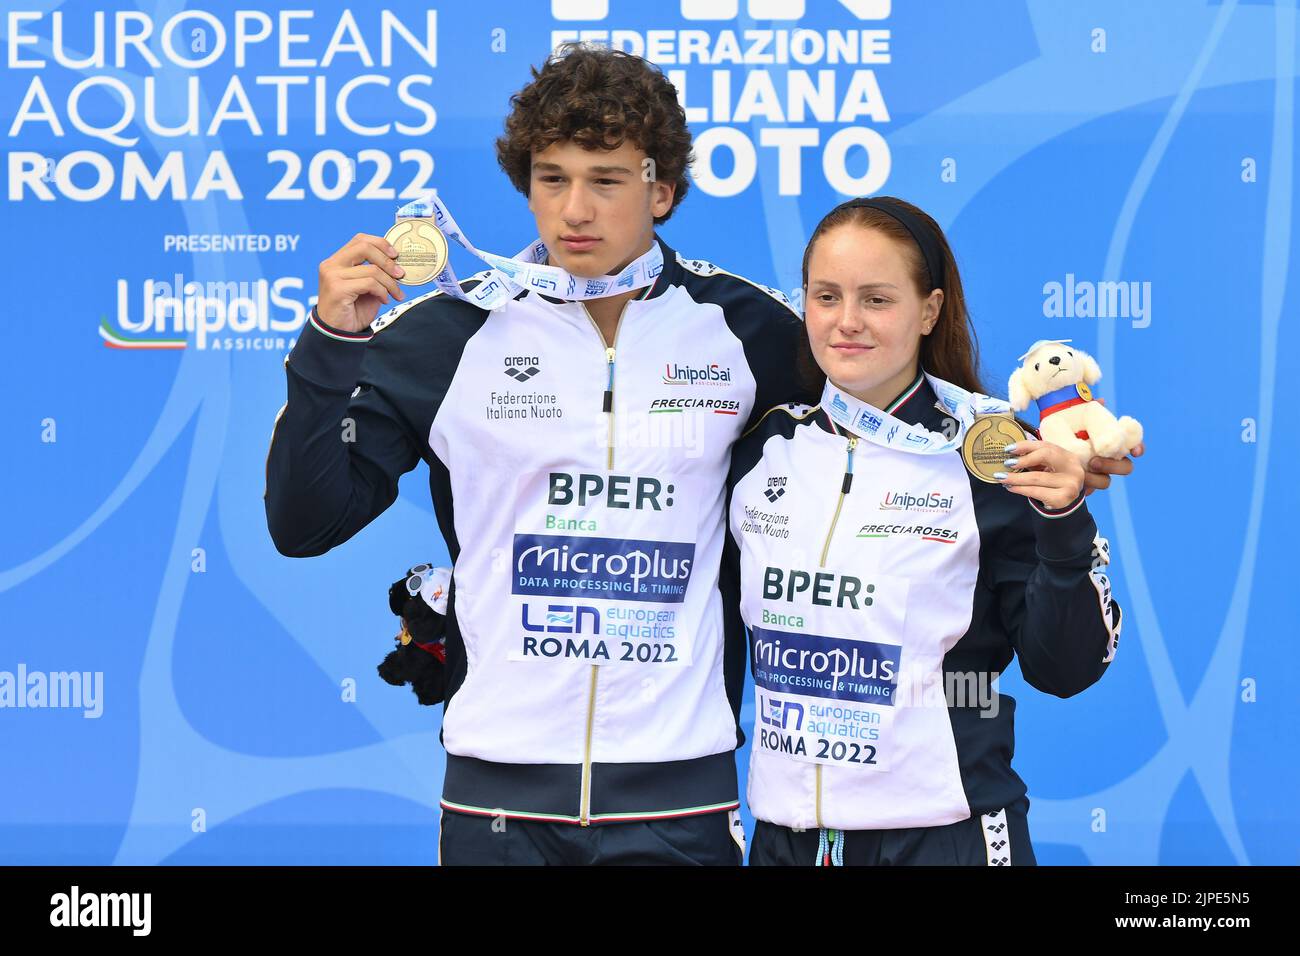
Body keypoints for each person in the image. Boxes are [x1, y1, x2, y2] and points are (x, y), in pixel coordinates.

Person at [263, 43, 816, 865]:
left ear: (661, 190)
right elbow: (305, 522)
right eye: (551, 178)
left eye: (607, 179)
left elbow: (879, 444)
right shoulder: (449, 332)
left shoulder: (752, 331)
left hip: (679, 793)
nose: (574, 210)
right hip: (497, 800)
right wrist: (328, 346)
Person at [726, 196, 1134, 865]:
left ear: (930, 310)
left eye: (877, 299)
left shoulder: (992, 457)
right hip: (786, 843)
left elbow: (1065, 669)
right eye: (826, 296)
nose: (847, 322)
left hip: (946, 838)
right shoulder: (761, 447)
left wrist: (1065, 526)